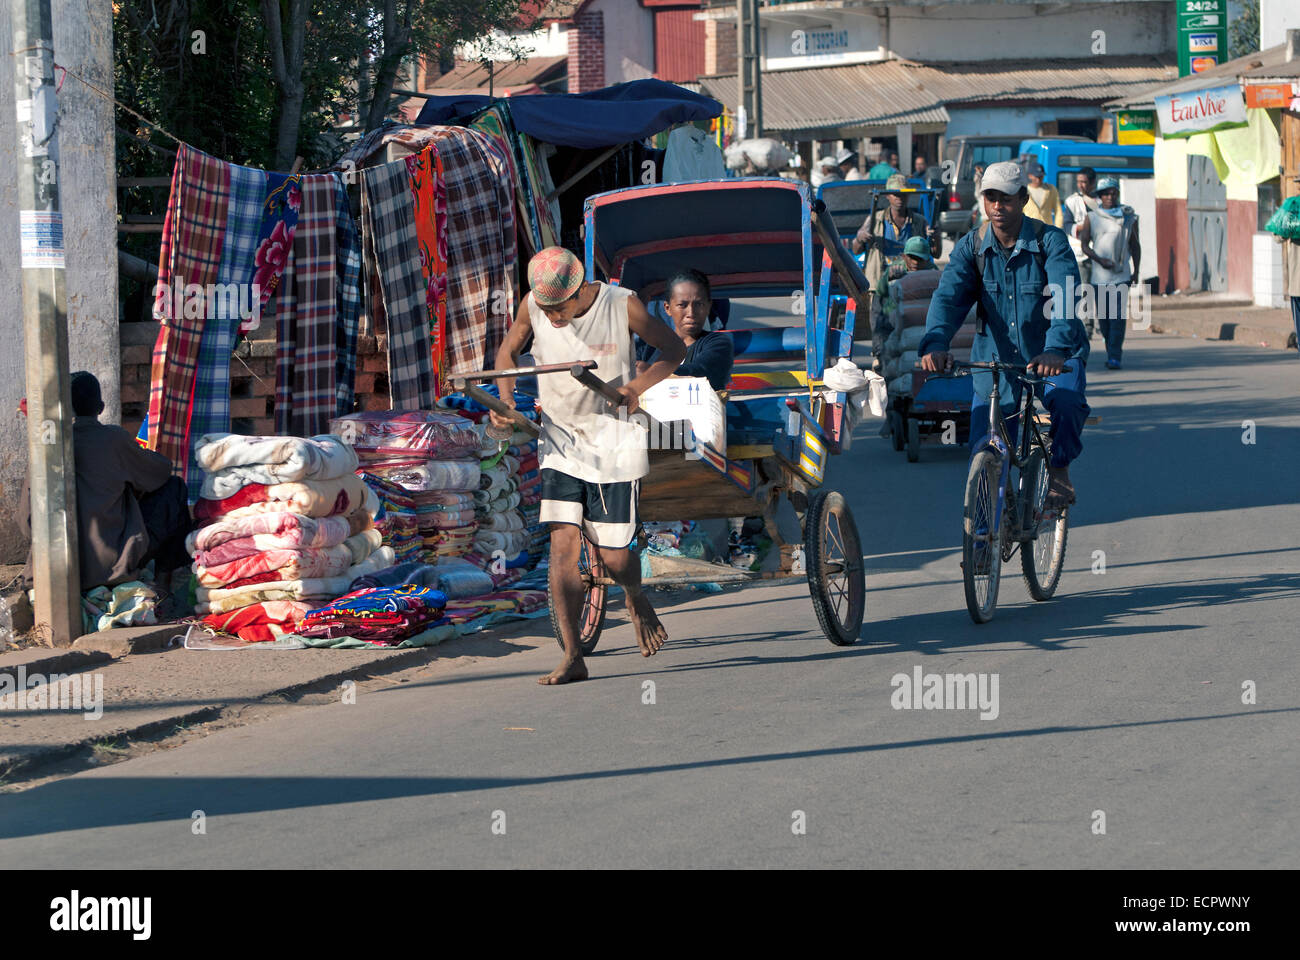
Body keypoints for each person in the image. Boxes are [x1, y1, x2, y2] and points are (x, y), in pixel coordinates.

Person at [490, 247, 686, 685]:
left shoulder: (621, 304)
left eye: (559, 309)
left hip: (615, 441)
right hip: (560, 442)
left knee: (616, 557)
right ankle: (573, 654)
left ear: (578, 291)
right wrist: (504, 402)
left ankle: (634, 595)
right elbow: (506, 355)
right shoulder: (532, 305)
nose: (553, 318)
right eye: (546, 309)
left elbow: (672, 349)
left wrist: (635, 386)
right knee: (562, 546)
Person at [919, 161, 1090, 511]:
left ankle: (1059, 470)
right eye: (990, 198)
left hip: (1052, 356)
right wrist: (936, 342)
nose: (998, 206)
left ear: (1024, 199)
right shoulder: (971, 247)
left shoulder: (1049, 242)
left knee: (1069, 402)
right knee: (985, 445)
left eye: (1006, 199)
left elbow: (1066, 297)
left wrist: (1055, 348)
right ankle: (983, 540)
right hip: (995, 361)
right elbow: (948, 298)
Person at [20, 371, 193, 592]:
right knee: (174, 488)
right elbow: (160, 472)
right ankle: (163, 587)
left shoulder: (44, 448)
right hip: (110, 567)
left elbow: (26, 523)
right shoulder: (113, 439)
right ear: (100, 408)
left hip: (51, 571)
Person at [636, 269, 735, 390]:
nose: (691, 313)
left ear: (709, 306)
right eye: (682, 305)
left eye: (698, 304)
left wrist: (650, 372)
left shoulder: (719, 343)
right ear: (667, 308)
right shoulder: (649, 347)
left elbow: (700, 371)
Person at [1077, 177, 1140, 370]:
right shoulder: (1092, 217)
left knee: (1118, 317)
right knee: (1104, 319)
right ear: (1100, 196)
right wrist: (1100, 260)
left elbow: (1135, 245)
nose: (1110, 197)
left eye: (1113, 193)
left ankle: (1115, 355)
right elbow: (1084, 246)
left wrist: (1136, 270)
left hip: (1121, 275)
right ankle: (1110, 348)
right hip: (1100, 276)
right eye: (1106, 193)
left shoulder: (1128, 217)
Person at [853, 174, 941, 292]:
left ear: (908, 195)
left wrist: (936, 238)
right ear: (888, 196)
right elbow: (856, 250)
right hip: (881, 281)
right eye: (896, 194)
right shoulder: (875, 219)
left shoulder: (919, 221)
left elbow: (936, 254)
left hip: (911, 281)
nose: (900, 198)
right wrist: (860, 238)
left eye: (903, 194)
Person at [1062, 166, 1100, 337]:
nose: (1081, 185)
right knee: (1085, 290)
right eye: (1078, 182)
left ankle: (1104, 324)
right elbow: (1067, 225)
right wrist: (1083, 228)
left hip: (1101, 253)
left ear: (1092, 182)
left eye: (1084, 182)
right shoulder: (1072, 201)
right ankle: (1087, 327)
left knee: (1103, 291)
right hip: (1080, 253)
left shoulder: (1102, 200)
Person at [1023, 161, 1063, 228]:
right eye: (1036, 177)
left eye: (1041, 177)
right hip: (1028, 229)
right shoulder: (1024, 190)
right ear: (1029, 176)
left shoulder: (1051, 189)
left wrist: (1058, 228)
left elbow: (1058, 210)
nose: (1038, 180)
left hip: (1046, 230)